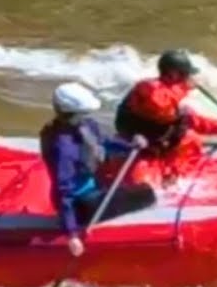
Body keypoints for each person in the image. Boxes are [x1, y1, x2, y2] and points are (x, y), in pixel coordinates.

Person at [40, 82, 156, 257]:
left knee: (125, 185)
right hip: (82, 204)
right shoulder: (64, 149)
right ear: (73, 115)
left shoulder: (85, 125)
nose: (87, 116)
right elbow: (64, 192)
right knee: (146, 194)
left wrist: (130, 145)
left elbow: (104, 141)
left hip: (93, 185)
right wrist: (72, 235)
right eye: (84, 113)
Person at [113, 48, 217, 182]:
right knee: (141, 177)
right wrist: (184, 87)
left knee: (190, 136)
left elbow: (195, 121)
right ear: (173, 74)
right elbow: (159, 104)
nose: (188, 79)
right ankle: (166, 175)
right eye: (185, 75)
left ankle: (177, 173)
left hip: (160, 140)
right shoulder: (149, 87)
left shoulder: (173, 102)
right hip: (140, 138)